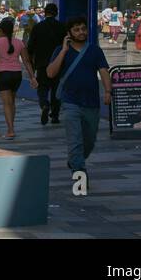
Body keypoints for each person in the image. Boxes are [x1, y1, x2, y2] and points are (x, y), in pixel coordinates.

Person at [46, 17, 112, 190]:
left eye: (83, 29)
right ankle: (79, 177)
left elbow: (104, 71)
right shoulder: (61, 50)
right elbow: (51, 73)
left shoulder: (94, 50)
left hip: (91, 103)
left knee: (88, 142)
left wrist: (108, 91)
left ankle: (75, 160)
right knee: (75, 141)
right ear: (69, 33)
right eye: (76, 29)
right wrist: (63, 51)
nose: (81, 32)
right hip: (70, 103)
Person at [0, 16, 31, 140]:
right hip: (17, 74)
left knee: (6, 103)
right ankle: (12, 127)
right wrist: (32, 77)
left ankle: (10, 130)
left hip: (3, 74)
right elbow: (26, 60)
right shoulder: (19, 42)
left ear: (1, 30)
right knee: (12, 102)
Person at [24, 2, 66, 125]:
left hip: (42, 64)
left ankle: (44, 105)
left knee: (42, 88)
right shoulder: (62, 27)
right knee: (56, 89)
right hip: (58, 63)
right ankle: (55, 115)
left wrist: (31, 62)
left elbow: (30, 47)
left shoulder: (38, 27)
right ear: (56, 13)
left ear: (45, 13)